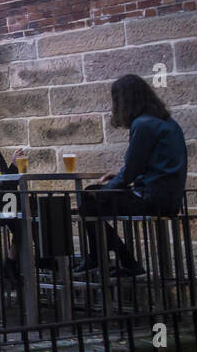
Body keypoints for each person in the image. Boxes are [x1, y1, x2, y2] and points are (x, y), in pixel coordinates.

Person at [75, 75, 187, 277]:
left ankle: (116, 259)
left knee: (88, 199)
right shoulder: (167, 122)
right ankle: (111, 258)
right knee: (94, 198)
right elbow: (152, 166)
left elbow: (131, 171)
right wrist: (116, 179)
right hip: (169, 199)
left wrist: (106, 190)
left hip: (150, 199)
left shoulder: (143, 125)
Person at [0, 119, 27, 283]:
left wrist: (14, 165)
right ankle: (9, 264)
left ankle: (11, 260)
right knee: (20, 213)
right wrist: (4, 179)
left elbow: (6, 182)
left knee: (24, 219)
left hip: (4, 201)